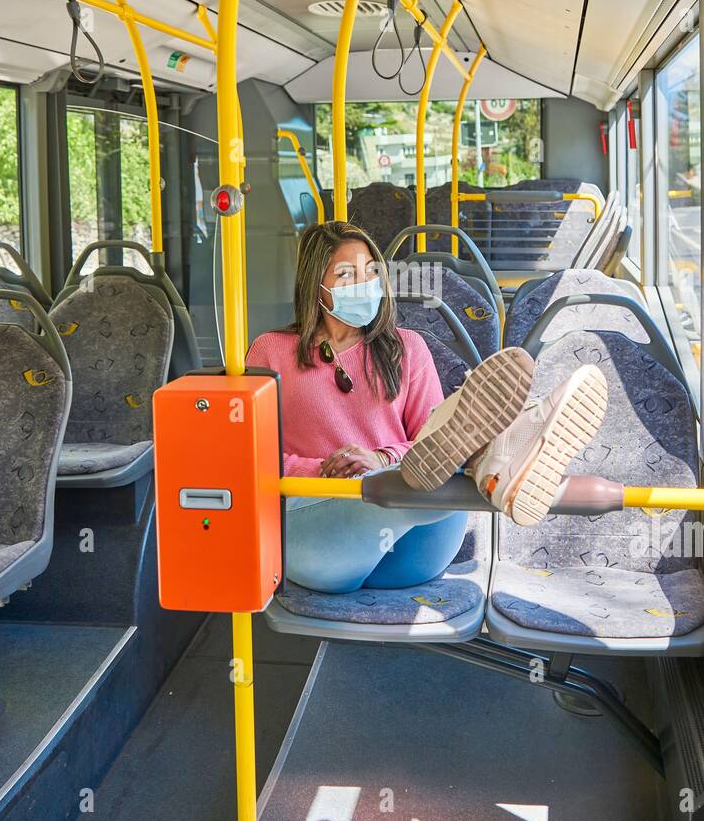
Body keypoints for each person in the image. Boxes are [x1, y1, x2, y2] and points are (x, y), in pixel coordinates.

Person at [246, 220, 607, 594]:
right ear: (315, 286)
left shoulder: (407, 348)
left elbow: (425, 443)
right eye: (345, 274)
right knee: (402, 486)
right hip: (321, 531)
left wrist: (381, 460)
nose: (363, 283)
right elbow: (249, 457)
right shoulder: (270, 352)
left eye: (370, 272)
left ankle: (483, 459)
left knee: (427, 476)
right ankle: (493, 463)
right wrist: (325, 468)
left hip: (414, 546)